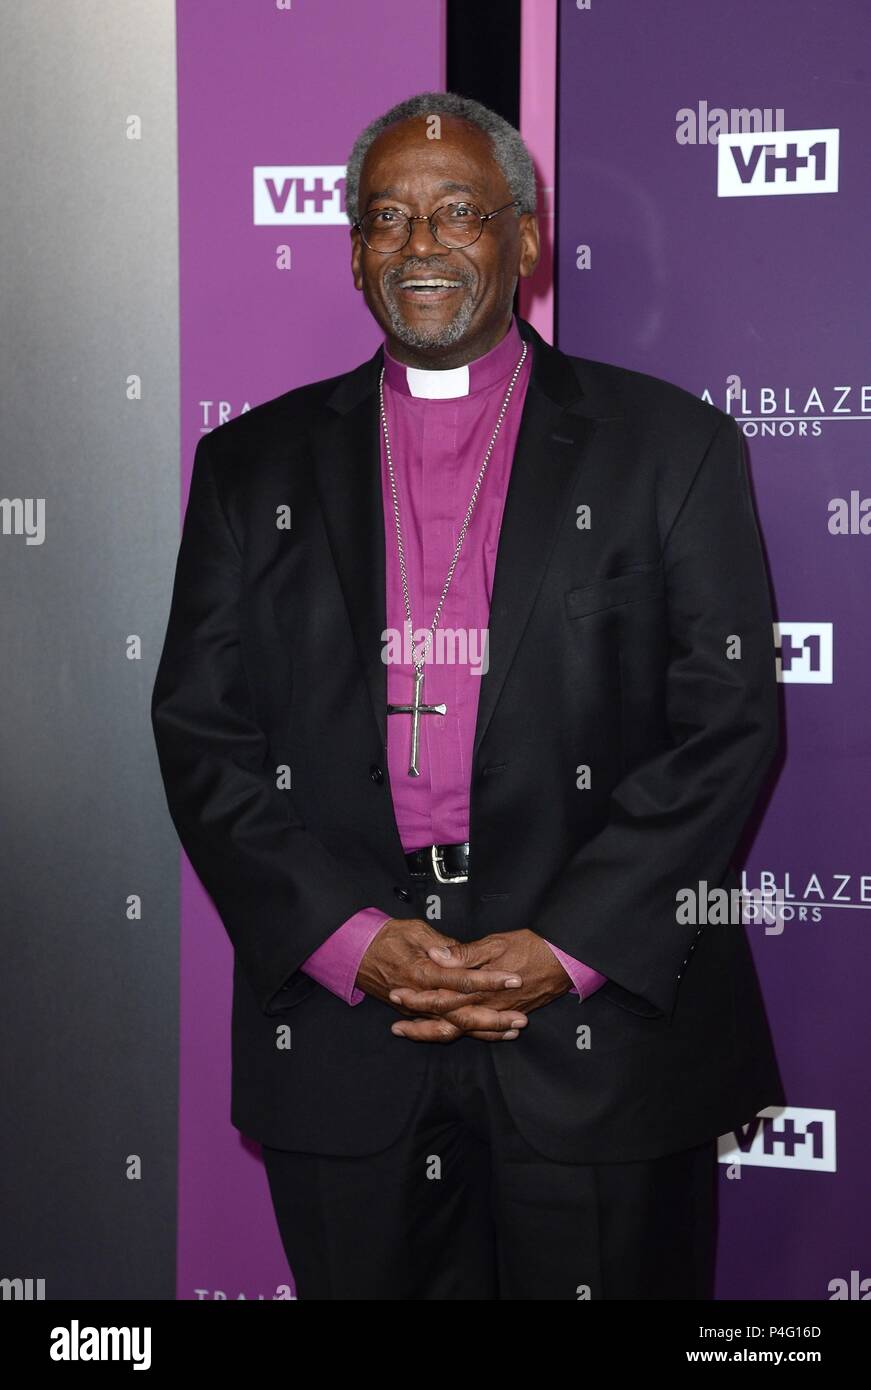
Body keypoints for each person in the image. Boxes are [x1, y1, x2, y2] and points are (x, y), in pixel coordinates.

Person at [151, 91, 785, 1300]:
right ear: (350, 251)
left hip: (597, 1033)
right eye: (385, 219)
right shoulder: (249, 466)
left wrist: (568, 945)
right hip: (348, 1030)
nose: (420, 245)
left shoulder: (668, 447)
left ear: (525, 238)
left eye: (458, 213)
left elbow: (729, 723)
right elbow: (202, 733)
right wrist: (350, 940)